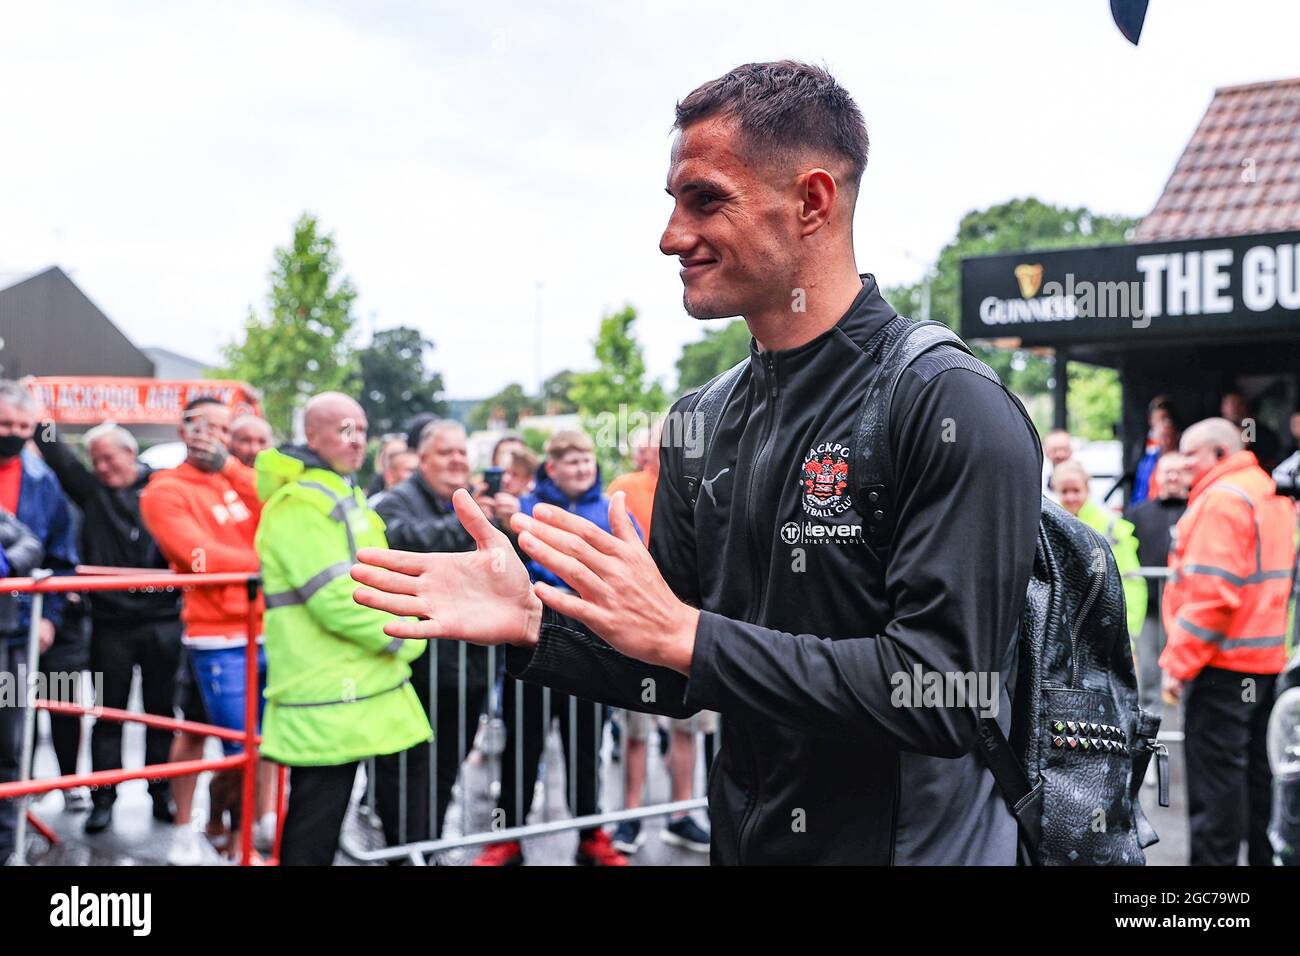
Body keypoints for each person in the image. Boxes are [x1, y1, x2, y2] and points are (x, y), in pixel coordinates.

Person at [352, 61, 1043, 865]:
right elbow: (675, 667)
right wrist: (539, 621)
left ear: (812, 203)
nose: (671, 236)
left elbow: (947, 694)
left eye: (705, 198)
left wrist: (690, 637)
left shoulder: (949, 401)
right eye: (672, 202)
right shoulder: (699, 419)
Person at [256, 393, 431, 866]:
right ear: (311, 435)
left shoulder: (339, 494)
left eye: (362, 429)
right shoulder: (298, 504)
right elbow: (334, 597)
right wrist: (402, 634)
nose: (357, 440)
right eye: (343, 429)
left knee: (410, 827)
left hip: (373, 691)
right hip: (328, 695)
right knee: (315, 829)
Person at [463, 429, 632, 866]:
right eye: (572, 462)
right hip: (532, 649)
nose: (582, 469)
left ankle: (591, 836)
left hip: (594, 651)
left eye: (587, 461)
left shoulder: (609, 509)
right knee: (521, 748)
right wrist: (501, 524)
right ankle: (507, 838)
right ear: (552, 468)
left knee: (585, 750)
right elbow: (507, 571)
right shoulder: (525, 508)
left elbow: (629, 567)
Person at [31, 420, 183, 833]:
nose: (100, 466)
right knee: (108, 716)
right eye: (94, 459)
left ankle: (159, 793)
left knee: (161, 715)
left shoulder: (164, 489)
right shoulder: (93, 493)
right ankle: (104, 797)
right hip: (110, 625)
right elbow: (61, 459)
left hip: (163, 622)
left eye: (108, 457)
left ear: (131, 454)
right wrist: (38, 421)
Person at [139, 396, 271, 864]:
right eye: (206, 428)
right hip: (215, 636)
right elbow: (198, 556)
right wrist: (277, 564)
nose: (216, 438)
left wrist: (233, 468)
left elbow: (282, 514)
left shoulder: (238, 479)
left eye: (224, 429)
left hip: (265, 629)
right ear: (185, 432)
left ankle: (229, 829)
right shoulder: (165, 489)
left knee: (253, 740)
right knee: (226, 739)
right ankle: (193, 831)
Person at [1160, 417, 1297, 866]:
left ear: (1219, 453)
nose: (1182, 462)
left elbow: (1211, 600)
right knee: (1260, 786)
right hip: (1265, 663)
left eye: (1191, 452)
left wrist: (1178, 667)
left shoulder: (1221, 500)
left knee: (1215, 795)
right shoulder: (1268, 492)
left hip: (1220, 667)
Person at [373, 419, 497, 849]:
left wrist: (507, 525)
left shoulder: (469, 504)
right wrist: (472, 520)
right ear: (422, 459)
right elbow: (404, 541)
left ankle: (430, 845)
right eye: (447, 452)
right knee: (410, 769)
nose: (458, 460)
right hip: (418, 664)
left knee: (448, 764)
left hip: (472, 662)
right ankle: (408, 851)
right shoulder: (397, 501)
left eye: (463, 452)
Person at [607, 423, 713, 855]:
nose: (661, 447)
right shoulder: (626, 487)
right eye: (654, 441)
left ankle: (681, 813)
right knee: (636, 728)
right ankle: (630, 815)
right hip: (639, 618)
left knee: (688, 727)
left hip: (688, 617)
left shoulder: (702, 480)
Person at [0, 380, 78, 864]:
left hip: (14, 634)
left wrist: (49, 617)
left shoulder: (43, 481)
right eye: (4, 423)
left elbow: (61, 559)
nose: (11, 432)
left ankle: (7, 846)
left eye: (21, 426)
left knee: (10, 744)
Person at [1053, 458, 1147, 643]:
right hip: (1064, 629)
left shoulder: (1112, 527)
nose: (1071, 497)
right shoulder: (1049, 527)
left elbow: (1131, 580)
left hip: (1105, 628)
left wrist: (1130, 632)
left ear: (1087, 489)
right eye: (1065, 491)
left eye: (1076, 490)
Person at [1123, 452, 1188, 713]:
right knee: (1148, 670)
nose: (1172, 477)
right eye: (1166, 471)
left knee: (1184, 671)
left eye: (1178, 471)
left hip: (1186, 608)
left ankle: (1184, 731)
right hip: (1150, 605)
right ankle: (1150, 734)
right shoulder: (1138, 513)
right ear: (1156, 476)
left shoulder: (1196, 508)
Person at [0, 508, 44, 865]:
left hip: (5, 641)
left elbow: (31, 543)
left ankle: (6, 846)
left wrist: (7, 562)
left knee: (8, 745)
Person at [1130, 396, 1180, 507]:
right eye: (1157, 420)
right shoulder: (1146, 458)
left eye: (1165, 419)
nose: (1165, 441)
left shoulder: (1183, 462)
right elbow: (1140, 490)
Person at [1221, 390, 1280, 472]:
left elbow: (1268, 457)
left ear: (1245, 407)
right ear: (1222, 408)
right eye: (1230, 404)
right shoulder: (1217, 431)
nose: (1234, 408)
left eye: (1239, 404)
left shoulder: (1260, 432)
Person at [365, 434, 409, 498]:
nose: (397, 461)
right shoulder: (375, 497)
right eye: (392, 456)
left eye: (402, 455)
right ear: (382, 460)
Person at [1041, 428, 1072, 497]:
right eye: (1055, 450)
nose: (1060, 454)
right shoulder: (1039, 477)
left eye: (1064, 449)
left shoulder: (1083, 477)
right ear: (1046, 451)